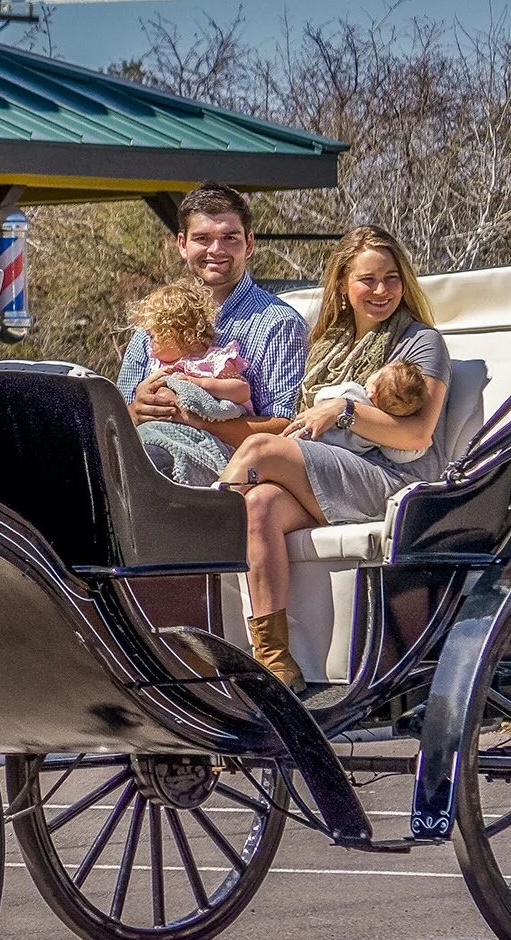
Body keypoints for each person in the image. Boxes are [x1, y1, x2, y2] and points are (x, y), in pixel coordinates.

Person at [217, 226, 449, 688]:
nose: (381, 290)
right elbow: (301, 424)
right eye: (368, 279)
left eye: (391, 278)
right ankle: (274, 659)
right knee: (258, 505)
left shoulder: (421, 342)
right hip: (328, 470)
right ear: (344, 285)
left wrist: (343, 411)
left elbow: (416, 432)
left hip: (392, 478)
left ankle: (197, 541)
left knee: (262, 451)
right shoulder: (326, 346)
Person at [119, 183, 308, 480]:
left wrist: (194, 419)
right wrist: (136, 409)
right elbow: (117, 415)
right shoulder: (155, 319)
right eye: (202, 238)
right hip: (144, 453)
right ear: (183, 244)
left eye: (230, 238)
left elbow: (286, 426)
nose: (216, 250)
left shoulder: (279, 323)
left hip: (230, 473)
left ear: (250, 242)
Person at [130, 281, 253, 484]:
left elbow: (241, 391)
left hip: (208, 439)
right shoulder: (158, 366)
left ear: (179, 334)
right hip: (159, 433)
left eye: (154, 337)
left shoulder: (213, 362)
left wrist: (199, 383)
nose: (149, 344)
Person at [312, 359, 430, 462]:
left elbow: (320, 398)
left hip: (315, 436)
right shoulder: (383, 433)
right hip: (335, 456)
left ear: (373, 392)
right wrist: (425, 446)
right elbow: (400, 456)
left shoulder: (351, 392)